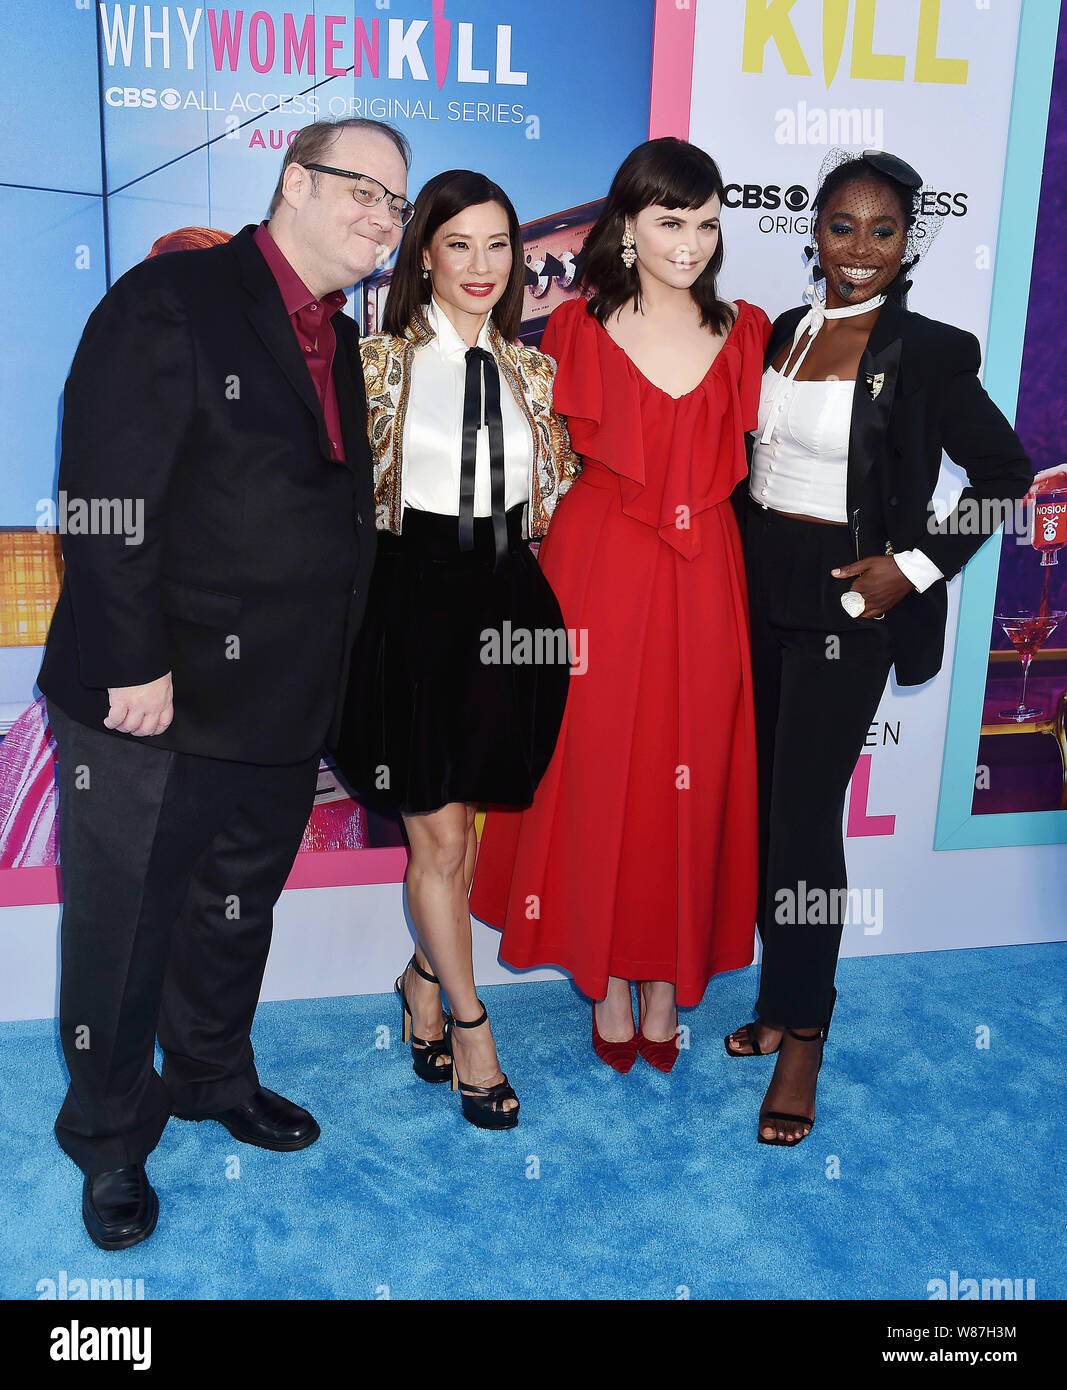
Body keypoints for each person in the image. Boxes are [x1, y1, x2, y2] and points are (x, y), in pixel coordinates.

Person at [36, 116, 410, 1247]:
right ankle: (106, 1136)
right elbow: (105, 498)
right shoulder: (172, 301)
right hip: (156, 696)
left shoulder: (335, 335)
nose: (381, 218)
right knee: (124, 927)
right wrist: (132, 663)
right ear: (293, 182)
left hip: (281, 699)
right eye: (361, 190)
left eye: (395, 204)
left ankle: (208, 1073)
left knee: (236, 904)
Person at [722, 149, 1033, 1144]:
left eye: (882, 230)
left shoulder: (929, 352)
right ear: (811, 231)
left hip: (842, 603)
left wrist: (914, 565)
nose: (858, 249)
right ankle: (778, 998)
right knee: (767, 811)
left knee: (805, 819)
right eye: (840, 226)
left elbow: (1003, 473)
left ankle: (805, 1032)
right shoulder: (777, 331)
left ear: (910, 242)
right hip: (748, 585)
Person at [469, 137, 771, 1071]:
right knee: (599, 765)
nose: (690, 243)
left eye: (708, 224)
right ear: (627, 226)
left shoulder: (752, 330)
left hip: (705, 572)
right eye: (670, 221)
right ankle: (601, 973)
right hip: (596, 566)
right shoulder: (573, 330)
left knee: (690, 763)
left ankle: (660, 973)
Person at [328, 170, 579, 1130]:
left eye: (498, 246)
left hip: (508, 604)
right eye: (458, 244)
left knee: (467, 829)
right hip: (408, 607)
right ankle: (472, 1028)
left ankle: (421, 978)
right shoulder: (375, 365)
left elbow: (551, 504)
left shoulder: (536, 372)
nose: (480, 266)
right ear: (421, 252)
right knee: (436, 833)